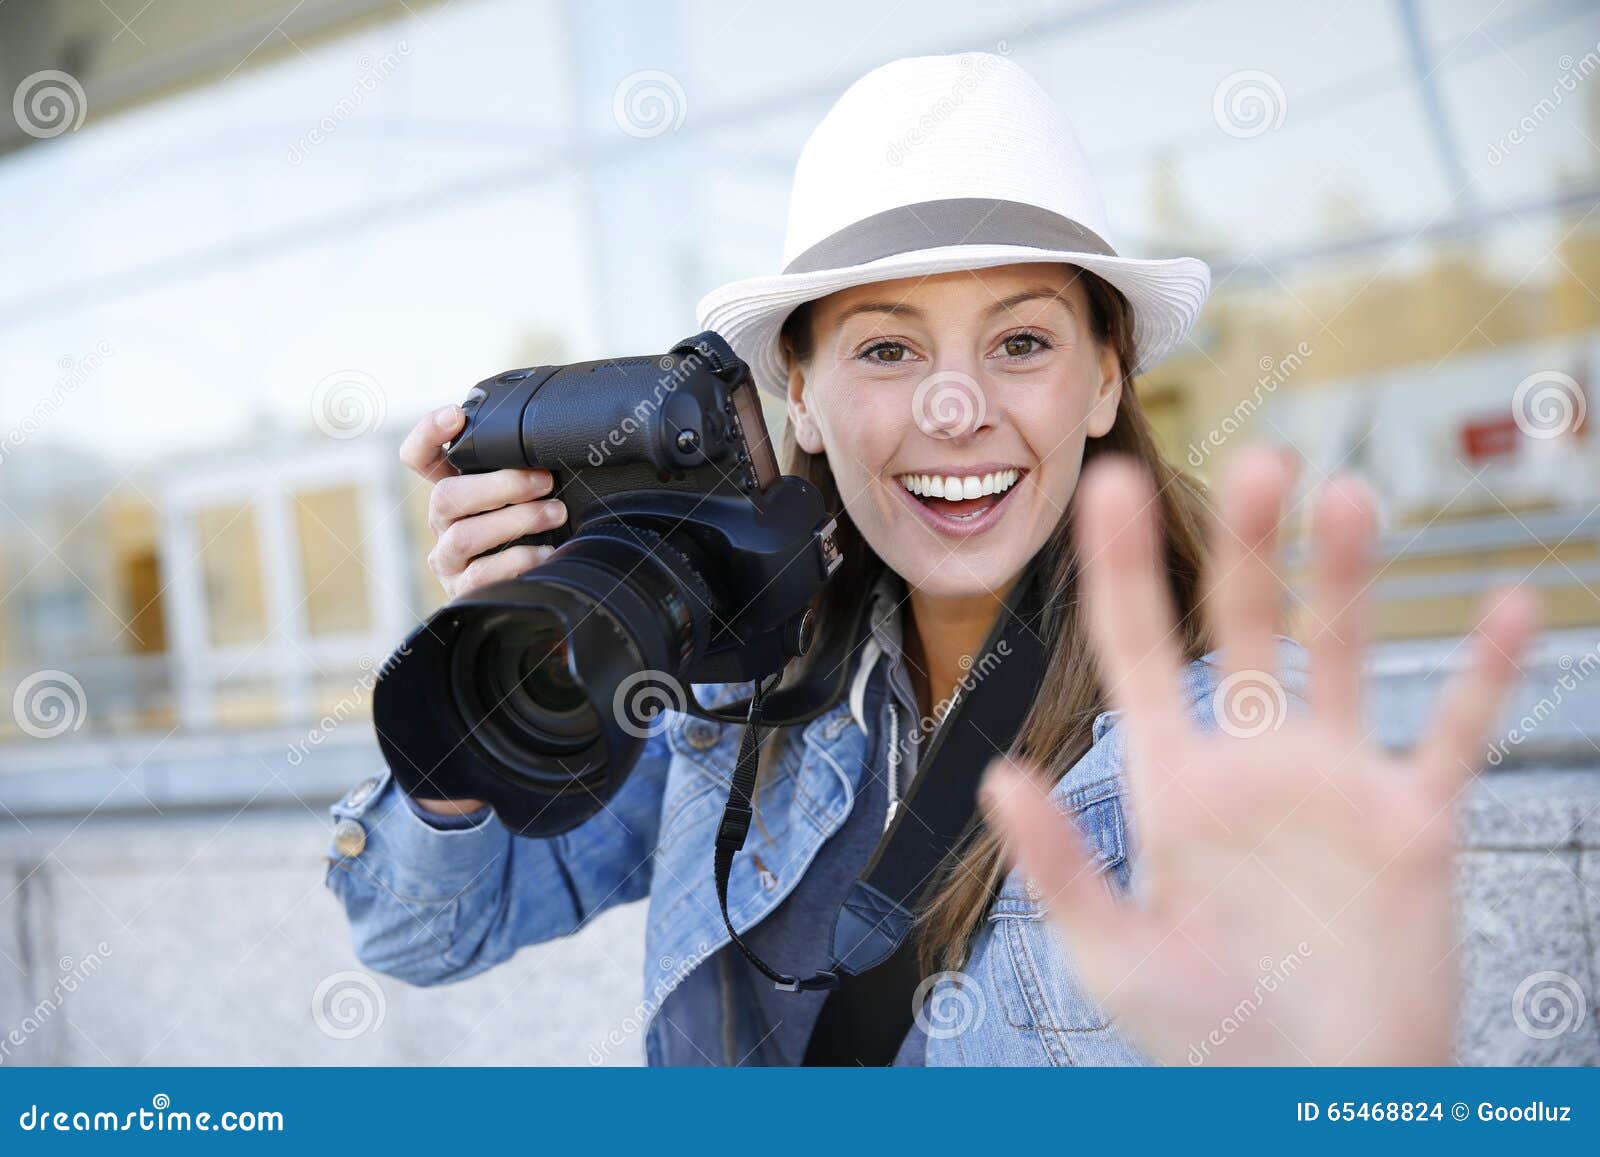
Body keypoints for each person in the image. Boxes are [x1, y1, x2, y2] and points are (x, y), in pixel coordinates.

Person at [324, 52, 1534, 1066]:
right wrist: (499, 662)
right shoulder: (738, 685)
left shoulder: (1216, 741)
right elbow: (420, 934)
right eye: (887, 351)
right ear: (799, 393)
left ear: (1106, 376)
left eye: (1019, 340)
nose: (954, 409)